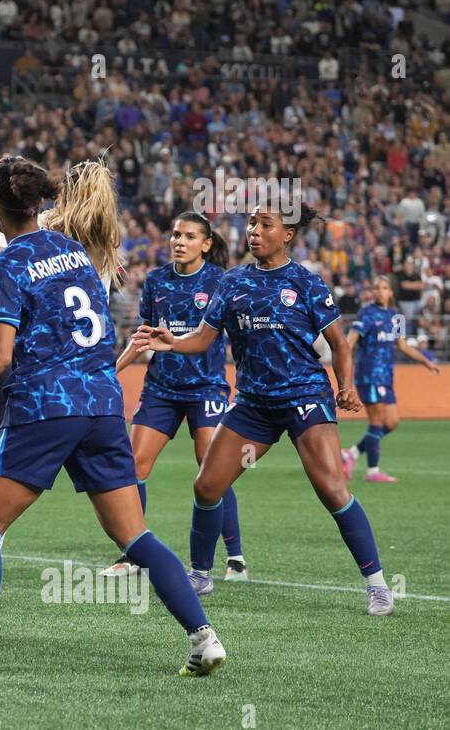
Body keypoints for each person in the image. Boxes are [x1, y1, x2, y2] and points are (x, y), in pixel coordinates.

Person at [0, 155, 226, 674]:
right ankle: (203, 637)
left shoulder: (5, 263)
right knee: (134, 536)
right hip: (102, 404)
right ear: (39, 204)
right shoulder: (78, 252)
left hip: (45, 404)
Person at [133, 205, 394, 615]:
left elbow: (340, 346)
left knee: (331, 489)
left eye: (264, 225)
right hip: (253, 405)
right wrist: (172, 341)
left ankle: (377, 584)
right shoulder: (233, 282)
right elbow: (203, 338)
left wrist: (345, 387)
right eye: (252, 224)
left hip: (304, 398)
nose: (253, 231)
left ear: (287, 234)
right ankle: (200, 575)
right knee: (206, 486)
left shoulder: (306, 282)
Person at [0, 161, 125, 643]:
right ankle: (200, 629)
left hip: (37, 387)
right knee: (126, 533)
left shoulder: (42, 240)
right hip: (93, 395)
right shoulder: (92, 248)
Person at [101, 212, 246, 580]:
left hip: (207, 387)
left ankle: (235, 558)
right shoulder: (156, 281)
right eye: (176, 235)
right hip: (162, 389)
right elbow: (144, 337)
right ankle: (132, 554)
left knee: (212, 471)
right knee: (134, 465)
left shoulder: (220, 281)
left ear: (206, 244)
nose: (180, 241)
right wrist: (108, 371)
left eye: (189, 236)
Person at [341, 275, 441, 483]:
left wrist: (426, 362)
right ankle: (372, 471)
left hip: (386, 377)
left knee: (392, 422)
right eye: (376, 287)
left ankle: (351, 454)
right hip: (368, 375)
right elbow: (350, 343)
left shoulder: (396, 316)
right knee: (377, 421)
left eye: (384, 288)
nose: (379, 291)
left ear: (391, 292)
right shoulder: (366, 313)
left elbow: (402, 346)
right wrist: (343, 369)